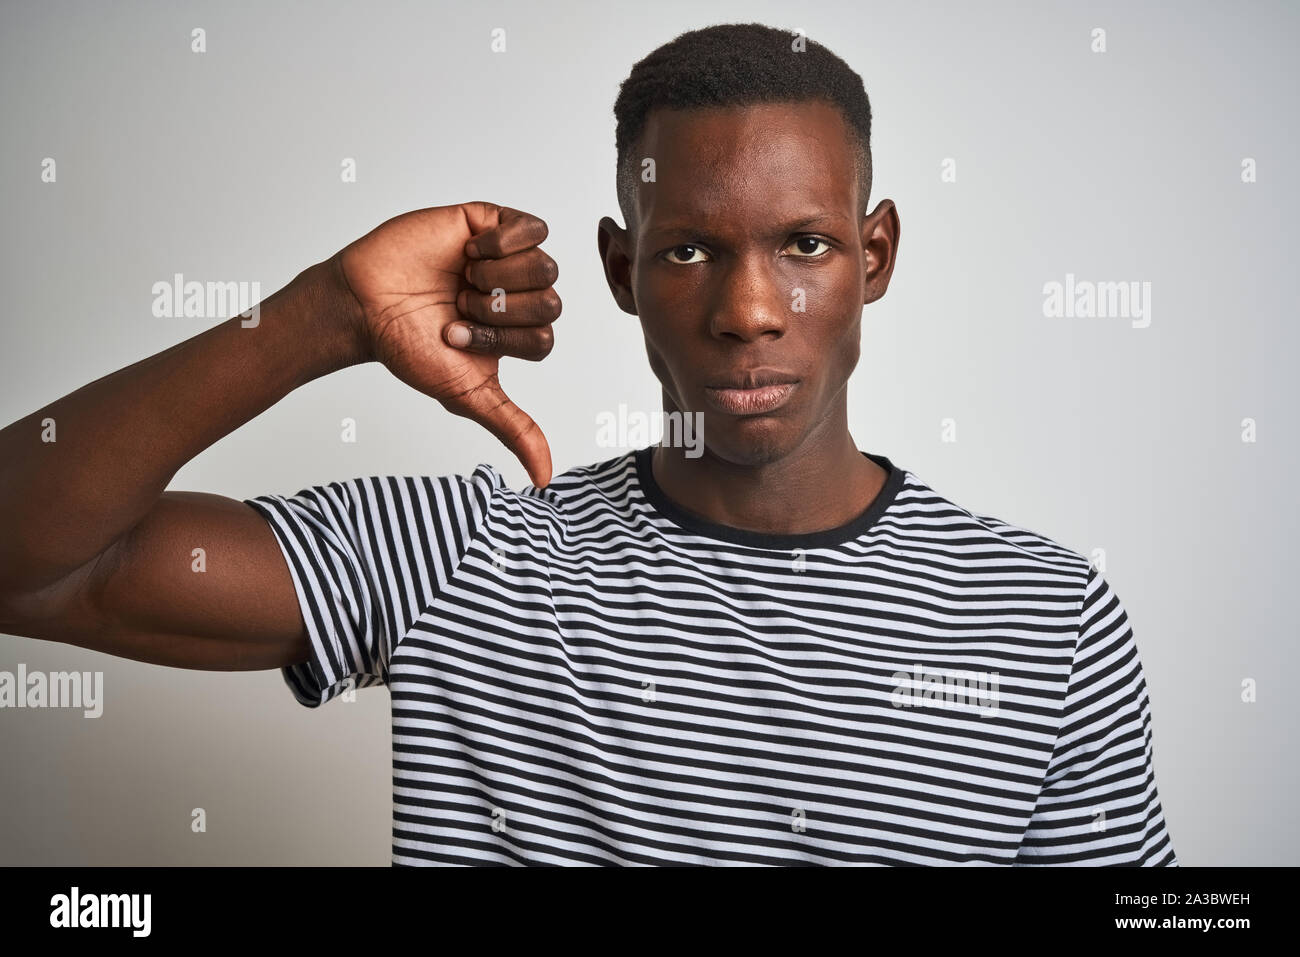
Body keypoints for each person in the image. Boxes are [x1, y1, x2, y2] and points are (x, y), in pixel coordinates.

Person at [0, 22, 1176, 866]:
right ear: (622, 271)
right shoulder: (470, 556)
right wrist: (323, 316)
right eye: (688, 251)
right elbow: (40, 564)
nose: (748, 309)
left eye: (805, 245)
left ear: (875, 255)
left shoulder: (1043, 617)